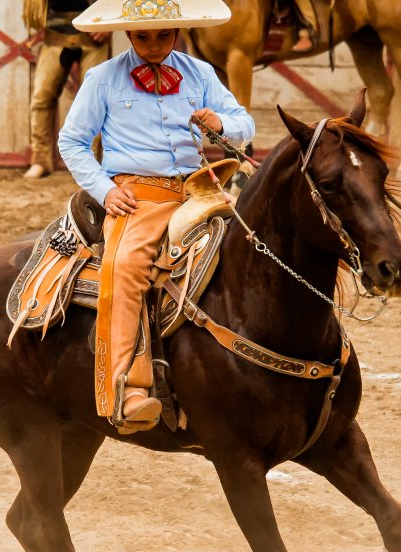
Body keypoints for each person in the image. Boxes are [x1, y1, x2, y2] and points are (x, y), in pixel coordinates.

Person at [58, 0, 254, 431]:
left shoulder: (200, 73)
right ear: (127, 34)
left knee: (260, 243)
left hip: (202, 187)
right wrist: (106, 191)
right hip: (139, 196)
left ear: (177, 32)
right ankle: (126, 387)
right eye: (143, 36)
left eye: (163, 35)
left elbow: (246, 124)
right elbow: (72, 142)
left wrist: (220, 122)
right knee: (126, 267)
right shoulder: (102, 79)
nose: (153, 45)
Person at [23, 0, 112, 179]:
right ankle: (40, 160)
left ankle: (92, 162)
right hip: (55, 36)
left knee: (96, 101)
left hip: (93, 34)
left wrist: (109, 23)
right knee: (42, 97)